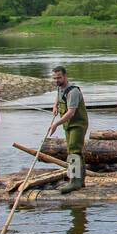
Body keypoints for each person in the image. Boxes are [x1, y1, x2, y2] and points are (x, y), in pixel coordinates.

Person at [47, 66, 88, 194]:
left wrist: (56, 124)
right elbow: (58, 97)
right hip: (68, 125)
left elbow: (71, 112)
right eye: (54, 78)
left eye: (59, 77)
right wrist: (55, 106)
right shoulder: (60, 88)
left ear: (65, 76)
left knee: (74, 150)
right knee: (71, 149)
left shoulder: (73, 91)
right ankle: (79, 180)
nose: (57, 80)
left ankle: (74, 181)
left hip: (77, 124)